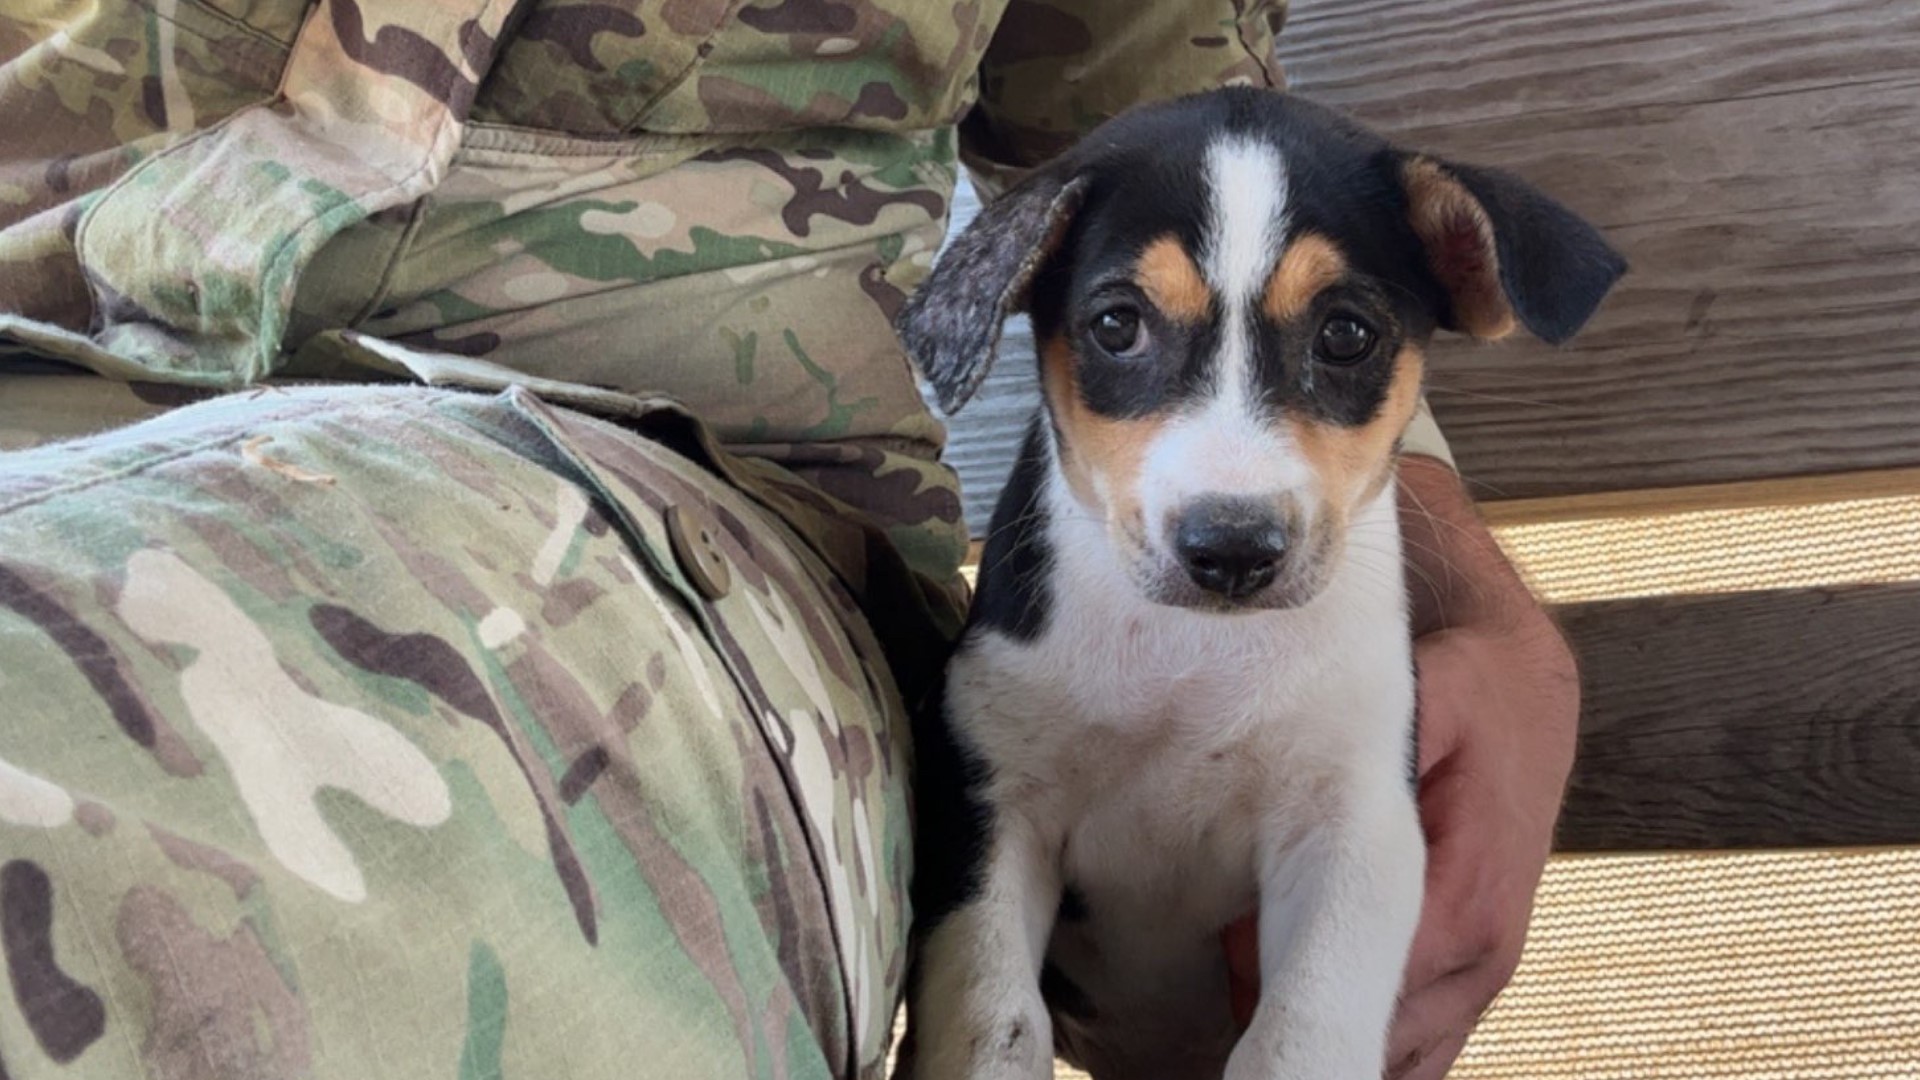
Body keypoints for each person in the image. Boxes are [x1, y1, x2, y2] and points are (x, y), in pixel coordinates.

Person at [0, 2, 1575, 1077]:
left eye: (1342, 344)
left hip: (619, 484)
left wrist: (1463, 597)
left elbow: (1172, 128)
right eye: (1122, 330)